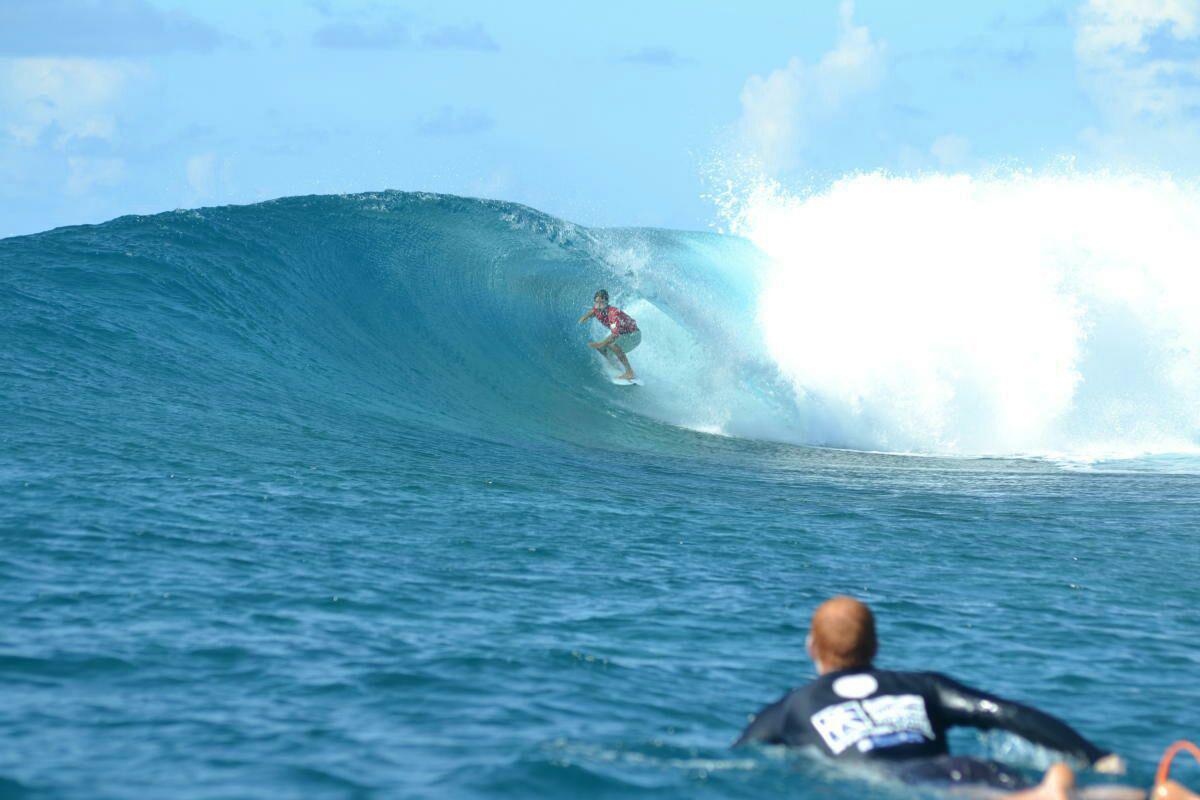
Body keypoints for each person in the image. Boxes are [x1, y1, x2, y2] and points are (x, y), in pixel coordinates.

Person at [734, 596, 1136, 799]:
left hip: (911, 780)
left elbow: (740, 758)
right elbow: (1006, 714)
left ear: (812, 648)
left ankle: (1050, 790)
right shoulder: (921, 685)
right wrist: (1093, 753)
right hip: (970, 765)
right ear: (875, 646)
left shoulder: (793, 707)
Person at [578, 289, 640, 381]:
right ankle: (615, 364)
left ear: (607, 302)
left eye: (602, 302)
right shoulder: (597, 309)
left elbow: (615, 335)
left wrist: (600, 343)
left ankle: (629, 372)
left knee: (613, 345)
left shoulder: (613, 313)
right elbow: (593, 311)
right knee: (602, 348)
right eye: (597, 302)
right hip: (624, 334)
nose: (599, 305)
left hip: (633, 335)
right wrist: (584, 318)